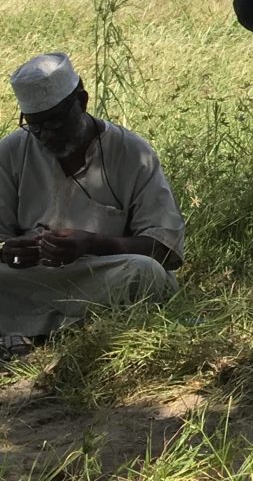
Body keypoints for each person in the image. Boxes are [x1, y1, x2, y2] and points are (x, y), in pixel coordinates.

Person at [0, 52, 185, 361]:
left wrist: (93, 243)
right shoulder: (11, 152)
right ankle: (58, 330)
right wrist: (9, 250)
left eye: (57, 122)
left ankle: (30, 331)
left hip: (96, 274)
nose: (47, 135)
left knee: (147, 274)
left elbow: (166, 250)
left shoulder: (131, 153)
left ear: (82, 101)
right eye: (36, 126)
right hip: (31, 278)